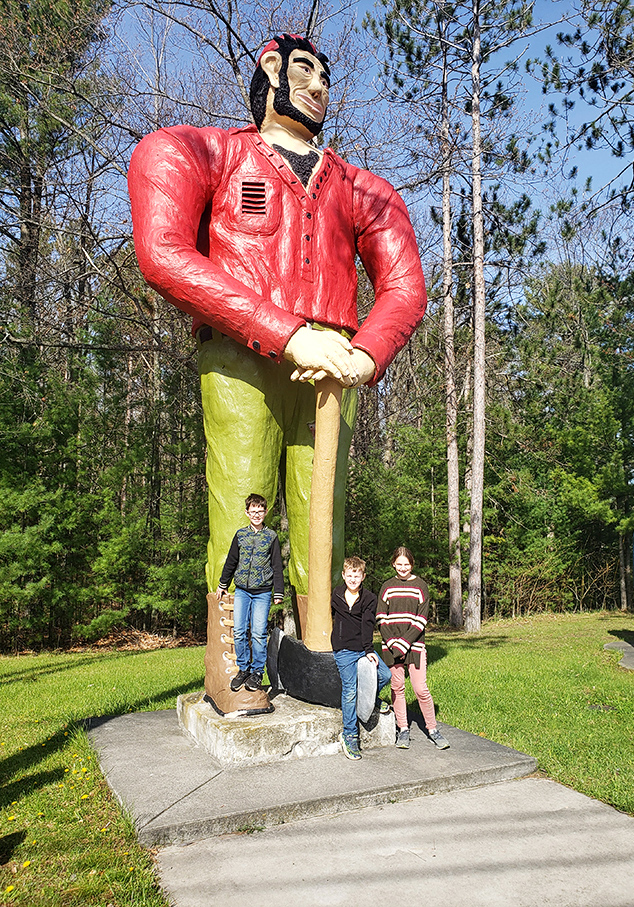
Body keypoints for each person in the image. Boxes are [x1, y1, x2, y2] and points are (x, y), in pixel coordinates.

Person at [127, 34, 426, 713]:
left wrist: (364, 350)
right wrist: (284, 332)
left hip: (334, 366)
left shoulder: (359, 187)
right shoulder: (211, 153)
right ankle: (235, 665)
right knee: (243, 503)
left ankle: (321, 649)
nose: (320, 86)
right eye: (304, 71)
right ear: (270, 72)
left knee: (328, 515)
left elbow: (406, 285)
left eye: (326, 75)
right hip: (242, 351)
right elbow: (163, 250)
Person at [377, 547, 450, 750]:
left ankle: (433, 729)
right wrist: (393, 643)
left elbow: (421, 619)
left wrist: (404, 643)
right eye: (399, 564)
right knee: (397, 687)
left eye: (406, 564)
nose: (403, 568)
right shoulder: (387, 586)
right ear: (393, 564)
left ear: (412, 564)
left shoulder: (421, 586)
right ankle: (403, 729)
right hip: (391, 646)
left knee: (420, 689)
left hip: (414, 646)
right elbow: (381, 618)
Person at [216, 494, 284, 694]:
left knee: (258, 633)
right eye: (253, 511)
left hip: (262, 592)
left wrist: (278, 591)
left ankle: (256, 672)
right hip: (242, 591)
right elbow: (231, 561)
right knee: (238, 631)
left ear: (265, 512)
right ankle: (243, 669)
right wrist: (222, 584)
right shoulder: (240, 535)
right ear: (247, 513)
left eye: (260, 511)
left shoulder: (271, 537)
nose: (256, 514)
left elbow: (277, 566)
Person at [331, 556, 391, 760]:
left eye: (357, 576)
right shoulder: (336, 594)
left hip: (362, 649)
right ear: (343, 576)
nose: (353, 579)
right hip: (343, 650)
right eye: (349, 575)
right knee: (349, 691)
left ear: (363, 576)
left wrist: (368, 650)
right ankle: (349, 734)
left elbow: (367, 625)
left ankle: (370, 700)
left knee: (385, 674)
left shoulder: (369, 599)